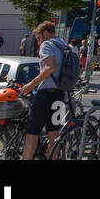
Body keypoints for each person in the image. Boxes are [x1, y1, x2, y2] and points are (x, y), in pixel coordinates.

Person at [18, 22, 69, 160]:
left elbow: (49, 68)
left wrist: (31, 85)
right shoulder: (65, 45)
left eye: (39, 38)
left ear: (46, 33)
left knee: (32, 132)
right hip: (60, 94)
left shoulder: (47, 45)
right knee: (54, 133)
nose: (39, 41)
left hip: (46, 93)